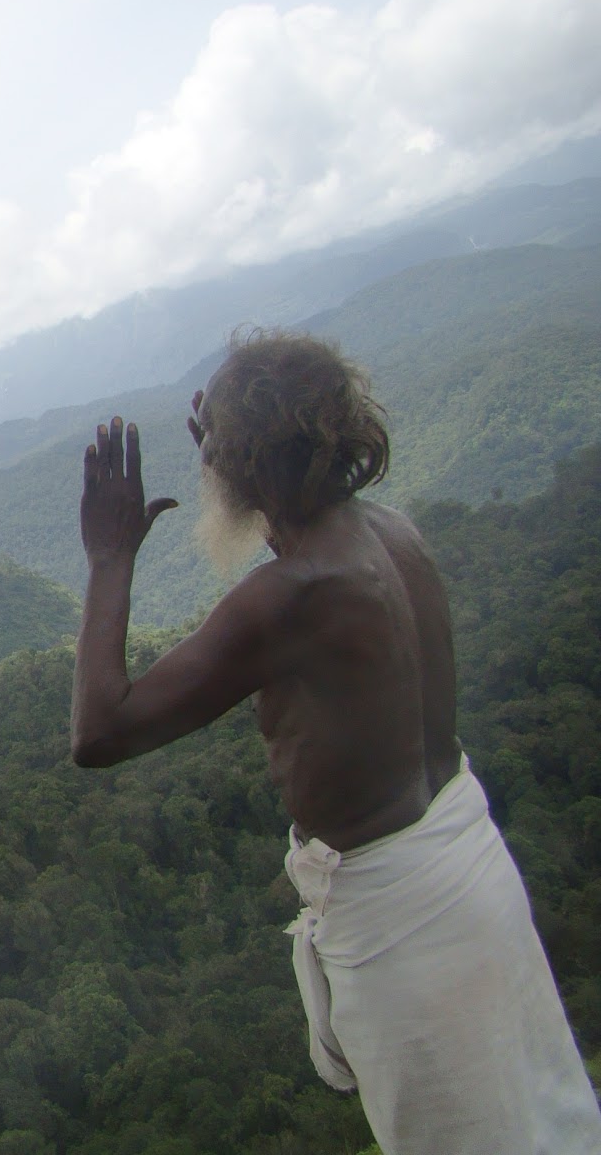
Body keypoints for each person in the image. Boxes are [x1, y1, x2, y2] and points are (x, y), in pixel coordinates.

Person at [70, 330, 601, 1153]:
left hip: (408, 934)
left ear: (250, 463)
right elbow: (305, 549)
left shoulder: (287, 598)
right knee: (541, 1115)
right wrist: (245, 465)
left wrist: (110, 559)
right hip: (469, 872)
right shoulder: (392, 533)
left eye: (216, 444)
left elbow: (100, 732)